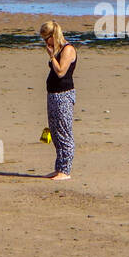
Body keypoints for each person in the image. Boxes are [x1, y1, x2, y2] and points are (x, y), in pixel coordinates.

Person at [40, 20, 77, 180]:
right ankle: (59, 168)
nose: (45, 42)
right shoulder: (57, 49)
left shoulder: (67, 49)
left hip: (64, 95)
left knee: (64, 132)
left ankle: (65, 170)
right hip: (53, 94)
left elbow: (61, 71)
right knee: (54, 132)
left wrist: (51, 56)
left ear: (53, 35)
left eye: (46, 38)